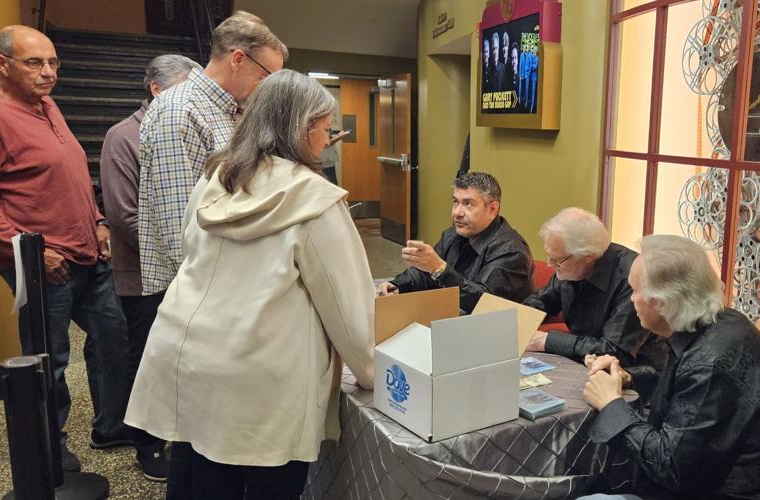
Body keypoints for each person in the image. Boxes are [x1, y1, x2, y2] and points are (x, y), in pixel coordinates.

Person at [125, 70, 375, 499]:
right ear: (302, 128)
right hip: (266, 379)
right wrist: (370, 373)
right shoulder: (315, 200)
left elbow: (189, 251)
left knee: (205, 478)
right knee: (269, 486)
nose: (326, 139)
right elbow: (346, 306)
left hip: (192, 355)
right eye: (325, 127)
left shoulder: (214, 179)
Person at [0, 25, 132, 472]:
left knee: (114, 339)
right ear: (3, 64)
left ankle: (111, 426)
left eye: (52, 62)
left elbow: (69, 175)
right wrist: (31, 251)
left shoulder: (47, 105)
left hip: (89, 252)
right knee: (48, 362)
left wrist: (98, 220)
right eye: (34, 63)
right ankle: (49, 450)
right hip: (42, 263)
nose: (48, 72)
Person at [583, 235, 760, 499]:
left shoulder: (709, 361)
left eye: (635, 291)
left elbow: (671, 467)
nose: (631, 300)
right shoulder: (724, 321)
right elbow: (685, 396)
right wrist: (630, 377)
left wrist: (611, 404)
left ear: (662, 302)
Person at [100, 54, 201, 481]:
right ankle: (146, 443)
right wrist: (183, 249)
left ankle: (177, 433)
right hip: (144, 274)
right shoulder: (123, 136)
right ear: (157, 90)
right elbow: (123, 214)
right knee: (146, 356)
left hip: (187, 267)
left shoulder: (184, 132)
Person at [138, 11, 287, 301]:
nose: (266, 88)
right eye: (265, 76)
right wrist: (212, 295)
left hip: (223, 281)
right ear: (238, 59)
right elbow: (179, 226)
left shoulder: (230, 109)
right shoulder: (180, 109)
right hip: (196, 290)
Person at [524, 207, 666, 370]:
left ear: (587, 257)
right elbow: (542, 301)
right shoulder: (570, 265)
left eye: (557, 260)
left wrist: (547, 341)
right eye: (550, 257)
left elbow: (614, 352)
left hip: (634, 373)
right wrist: (516, 321)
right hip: (583, 361)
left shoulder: (632, 279)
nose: (550, 264)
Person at [378, 172, 535, 313]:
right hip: (456, 318)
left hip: (497, 329)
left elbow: (483, 304)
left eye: (468, 204)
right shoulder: (452, 234)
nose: (457, 213)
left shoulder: (511, 251)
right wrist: (398, 285)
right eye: (455, 202)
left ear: (492, 210)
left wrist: (439, 269)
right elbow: (425, 273)